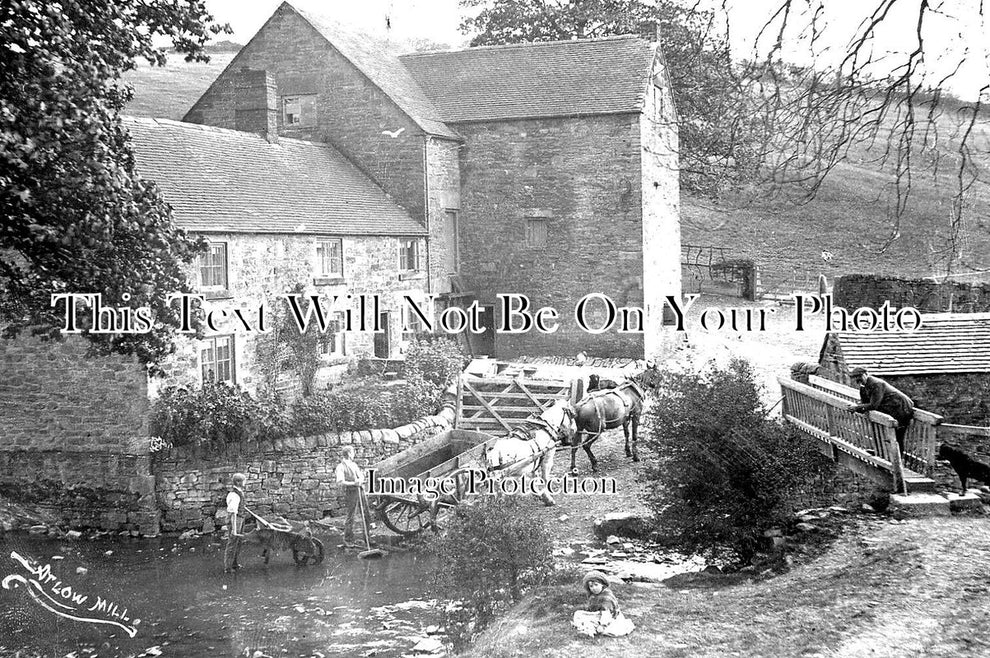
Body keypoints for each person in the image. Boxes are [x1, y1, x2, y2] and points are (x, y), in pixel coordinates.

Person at [846, 367, 915, 455]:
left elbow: (873, 405)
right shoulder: (863, 386)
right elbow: (865, 402)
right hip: (890, 408)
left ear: (866, 374)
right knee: (882, 431)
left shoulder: (876, 384)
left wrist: (856, 408)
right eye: (855, 377)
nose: (858, 379)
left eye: (860, 376)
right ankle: (881, 453)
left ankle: (897, 460)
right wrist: (857, 407)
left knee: (898, 435)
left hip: (901, 407)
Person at [571, 570, 635, 638]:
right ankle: (586, 629)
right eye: (591, 586)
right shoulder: (594, 596)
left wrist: (602, 625)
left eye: (596, 585)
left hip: (608, 618)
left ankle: (589, 631)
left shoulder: (606, 597)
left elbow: (606, 614)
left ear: (602, 584)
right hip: (598, 615)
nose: (594, 588)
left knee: (596, 624)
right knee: (578, 614)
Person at [335, 446, 374, 545]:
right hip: (351, 492)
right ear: (348, 453)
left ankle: (367, 538)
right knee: (351, 516)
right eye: (353, 452)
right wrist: (353, 483)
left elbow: (360, 475)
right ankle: (348, 540)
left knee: (366, 514)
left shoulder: (354, 465)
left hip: (360, 490)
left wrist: (360, 480)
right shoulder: (341, 467)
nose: (354, 454)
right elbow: (340, 482)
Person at [223, 472, 247, 573]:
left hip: (240, 518)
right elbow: (233, 512)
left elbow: (239, 506)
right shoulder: (234, 494)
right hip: (235, 519)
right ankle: (228, 568)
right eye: (244, 481)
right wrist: (234, 529)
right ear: (238, 482)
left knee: (238, 542)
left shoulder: (239, 492)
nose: (245, 482)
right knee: (232, 542)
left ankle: (234, 563)